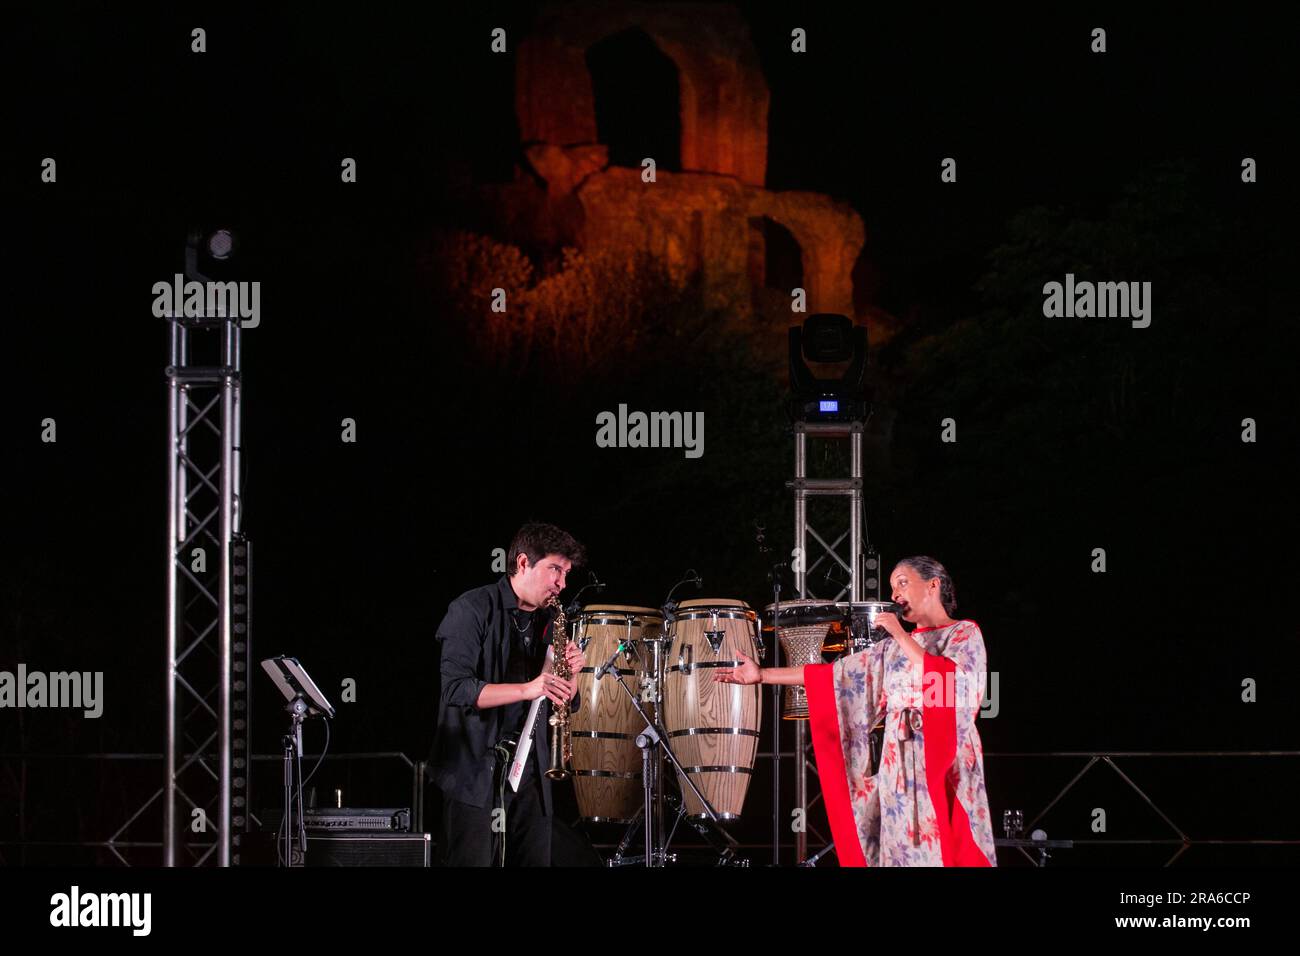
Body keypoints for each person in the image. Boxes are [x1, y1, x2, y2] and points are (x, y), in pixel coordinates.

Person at [718, 556, 996, 866]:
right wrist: (763, 675)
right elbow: (833, 677)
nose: (895, 596)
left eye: (902, 583)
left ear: (933, 584)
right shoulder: (890, 649)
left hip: (945, 762)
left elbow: (952, 686)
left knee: (951, 846)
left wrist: (902, 636)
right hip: (899, 767)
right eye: (892, 588)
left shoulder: (963, 634)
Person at [431, 522, 588, 866]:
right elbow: (456, 690)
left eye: (566, 573)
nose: (562, 583)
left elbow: (565, 700)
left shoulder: (552, 620)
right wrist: (529, 688)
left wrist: (571, 678)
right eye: (555, 570)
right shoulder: (470, 609)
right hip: (474, 771)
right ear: (521, 563)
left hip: (531, 774)